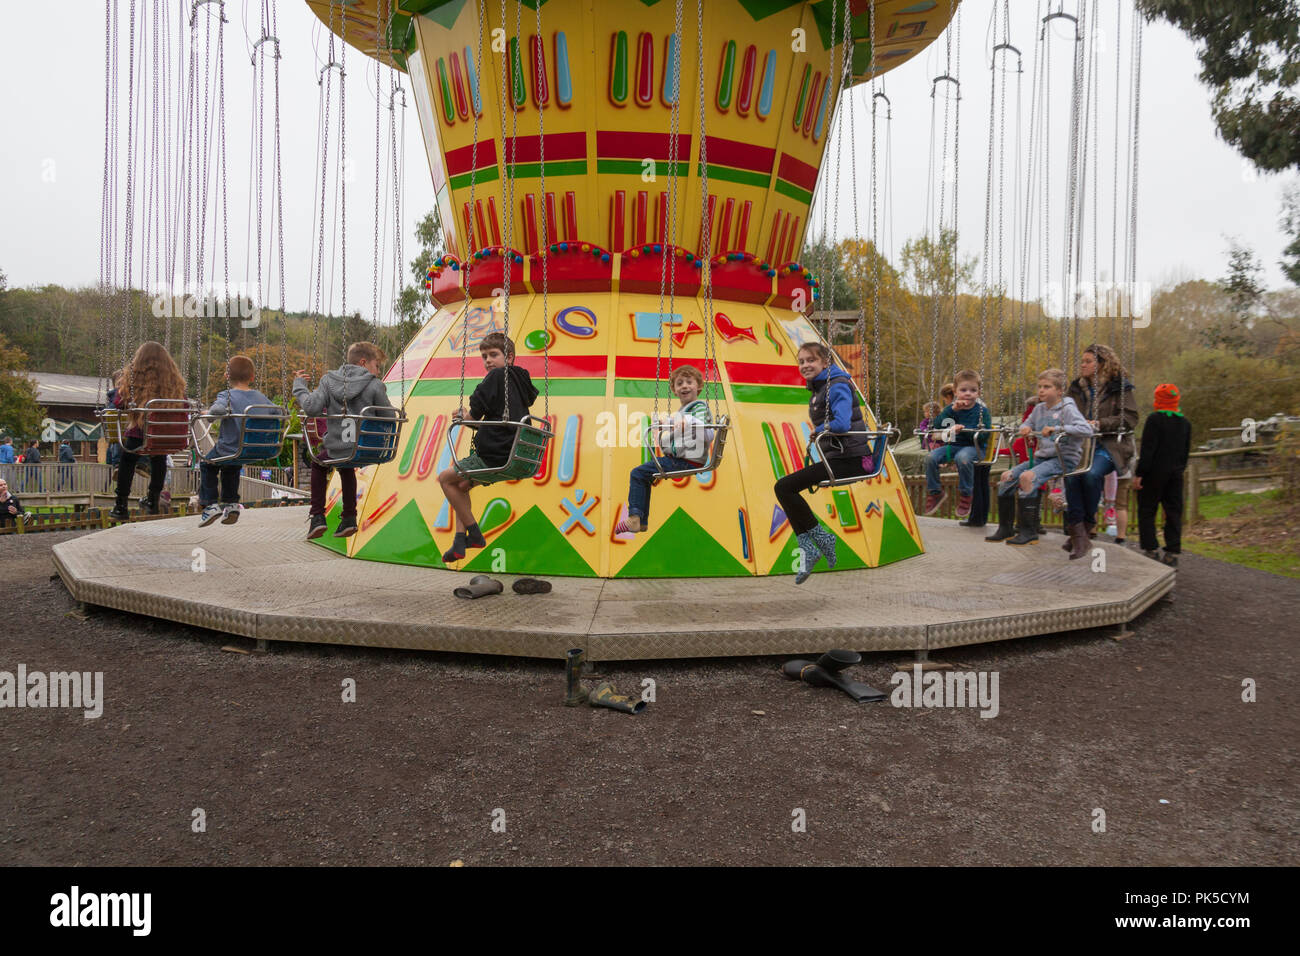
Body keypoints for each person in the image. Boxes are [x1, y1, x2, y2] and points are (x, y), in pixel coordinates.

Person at [771, 342, 873, 584]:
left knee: (784, 487)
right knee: (786, 488)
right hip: (840, 457)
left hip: (853, 459)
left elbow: (841, 424)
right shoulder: (821, 388)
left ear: (825, 363)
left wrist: (818, 430)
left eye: (811, 360)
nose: (805, 365)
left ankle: (816, 543)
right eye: (802, 361)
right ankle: (812, 544)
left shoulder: (836, 386)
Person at [437, 332, 538, 562]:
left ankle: (474, 533)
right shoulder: (521, 382)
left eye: (493, 354)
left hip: (495, 454)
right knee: (461, 485)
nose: (488, 361)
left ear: (510, 357)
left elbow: (474, 415)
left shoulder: (495, 379)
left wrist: (464, 415)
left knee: (445, 478)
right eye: (484, 356)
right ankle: (459, 542)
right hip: (517, 453)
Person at [293, 341, 395, 540]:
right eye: (376, 366)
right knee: (347, 465)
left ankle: (317, 516)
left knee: (320, 463)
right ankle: (349, 517)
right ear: (364, 363)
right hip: (366, 447)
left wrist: (299, 387)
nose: (378, 372)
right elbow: (389, 416)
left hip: (337, 448)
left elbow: (311, 407)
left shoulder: (328, 382)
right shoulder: (374, 385)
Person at [986, 369, 1093, 548]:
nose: (1041, 390)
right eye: (1040, 387)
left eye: (1047, 387)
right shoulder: (1039, 408)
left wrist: (1058, 429)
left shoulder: (1068, 408)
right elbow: (1028, 423)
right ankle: (1005, 528)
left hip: (1063, 458)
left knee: (1027, 477)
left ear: (1059, 391)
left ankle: (1028, 531)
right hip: (1042, 458)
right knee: (1006, 478)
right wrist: (1026, 428)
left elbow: (1086, 429)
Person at [614, 364, 715, 534]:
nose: (684, 385)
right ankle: (641, 522)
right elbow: (677, 422)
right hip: (682, 460)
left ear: (698, 386)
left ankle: (634, 518)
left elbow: (708, 432)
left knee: (637, 474)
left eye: (689, 382)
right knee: (644, 476)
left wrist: (687, 422)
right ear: (674, 390)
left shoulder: (699, 407)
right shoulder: (683, 411)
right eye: (679, 383)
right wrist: (664, 424)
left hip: (684, 460)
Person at [1063, 343, 1138, 548]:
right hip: (1082, 443)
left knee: (1091, 474)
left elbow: (1129, 417)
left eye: (1088, 361)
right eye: (1082, 361)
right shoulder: (1076, 388)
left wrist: (1100, 424)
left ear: (1102, 364)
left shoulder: (1119, 387)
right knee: (1071, 477)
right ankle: (1077, 528)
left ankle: (1088, 523)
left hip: (1109, 443)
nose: (1082, 365)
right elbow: (1065, 410)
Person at [110, 342, 188, 521]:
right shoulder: (174, 381)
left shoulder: (133, 378)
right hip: (163, 434)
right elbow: (183, 402)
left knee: (128, 458)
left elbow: (118, 402)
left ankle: (120, 505)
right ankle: (153, 500)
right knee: (159, 457)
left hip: (140, 432)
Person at [199, 355, 274, 527]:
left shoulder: (227, 395)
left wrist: (208, 415)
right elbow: (277, 412)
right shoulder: (261, 397)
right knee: (231, 466)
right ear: (252, 377)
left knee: (207, 464)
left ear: (227, 376)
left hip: (230, 447)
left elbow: (217, 410)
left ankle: (210, 505)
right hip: (256, 447)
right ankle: (232, 504)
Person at [1133, 383, 1192, 567]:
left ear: (1158, 399)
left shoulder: (1155, 420)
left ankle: (1150, 548)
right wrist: (1179, 469)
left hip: (1154, 473)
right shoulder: (1185, 423)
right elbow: (1185, 451)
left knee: (1148, 509)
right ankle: (1173, 550)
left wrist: (1140, 473)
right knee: (1173, 510)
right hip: (1175, 474)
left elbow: (1148, 449)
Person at [921, 369, 993, 518]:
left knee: (963, 458)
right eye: (963, 390)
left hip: (974, 448)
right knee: (930, 458)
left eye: (973, 390)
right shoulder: (952, 409)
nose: (968, 393)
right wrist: (951, 410)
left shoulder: (982, 411)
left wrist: (964, 430)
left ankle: (966, 494)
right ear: (955, 392)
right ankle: (936, 492)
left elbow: (984, 436)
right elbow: (939, 425)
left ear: (978, 393)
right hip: (953, 446)